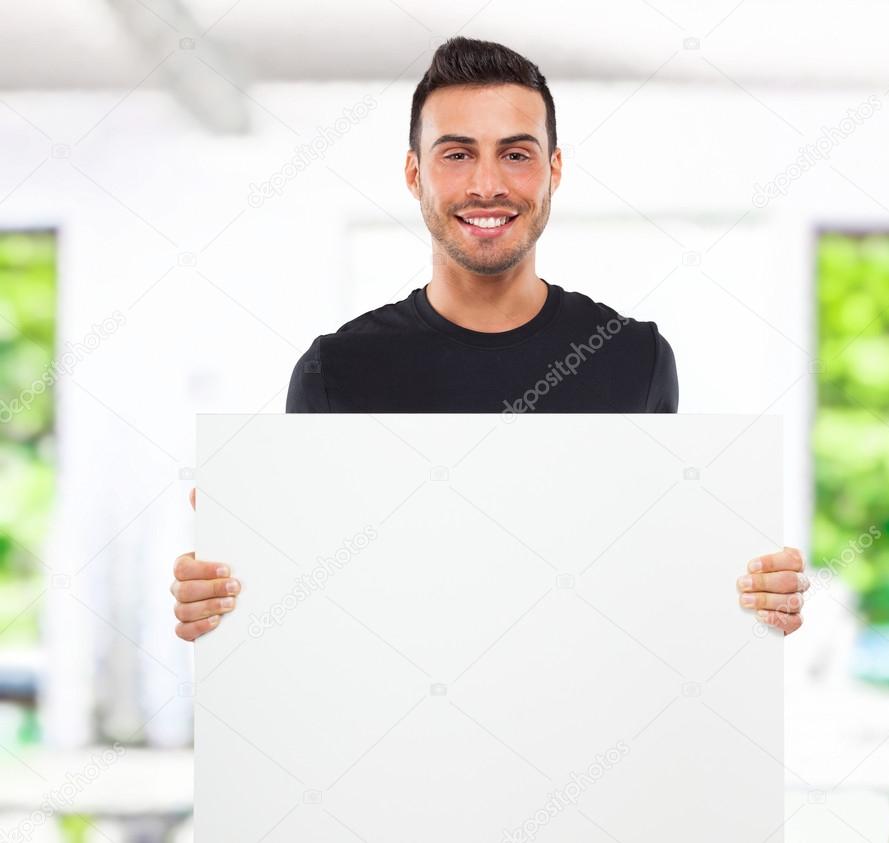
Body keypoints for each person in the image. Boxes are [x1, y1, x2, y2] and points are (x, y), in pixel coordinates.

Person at [171, 36, 808, 641]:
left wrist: (749, 593)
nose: (487, 185)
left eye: (515, 153)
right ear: (414, 174)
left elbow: (655, 571)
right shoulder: (336, 372)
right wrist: (230, 593)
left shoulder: (633, 359)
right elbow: (311, 593)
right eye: (456, 154)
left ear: (553, 170)